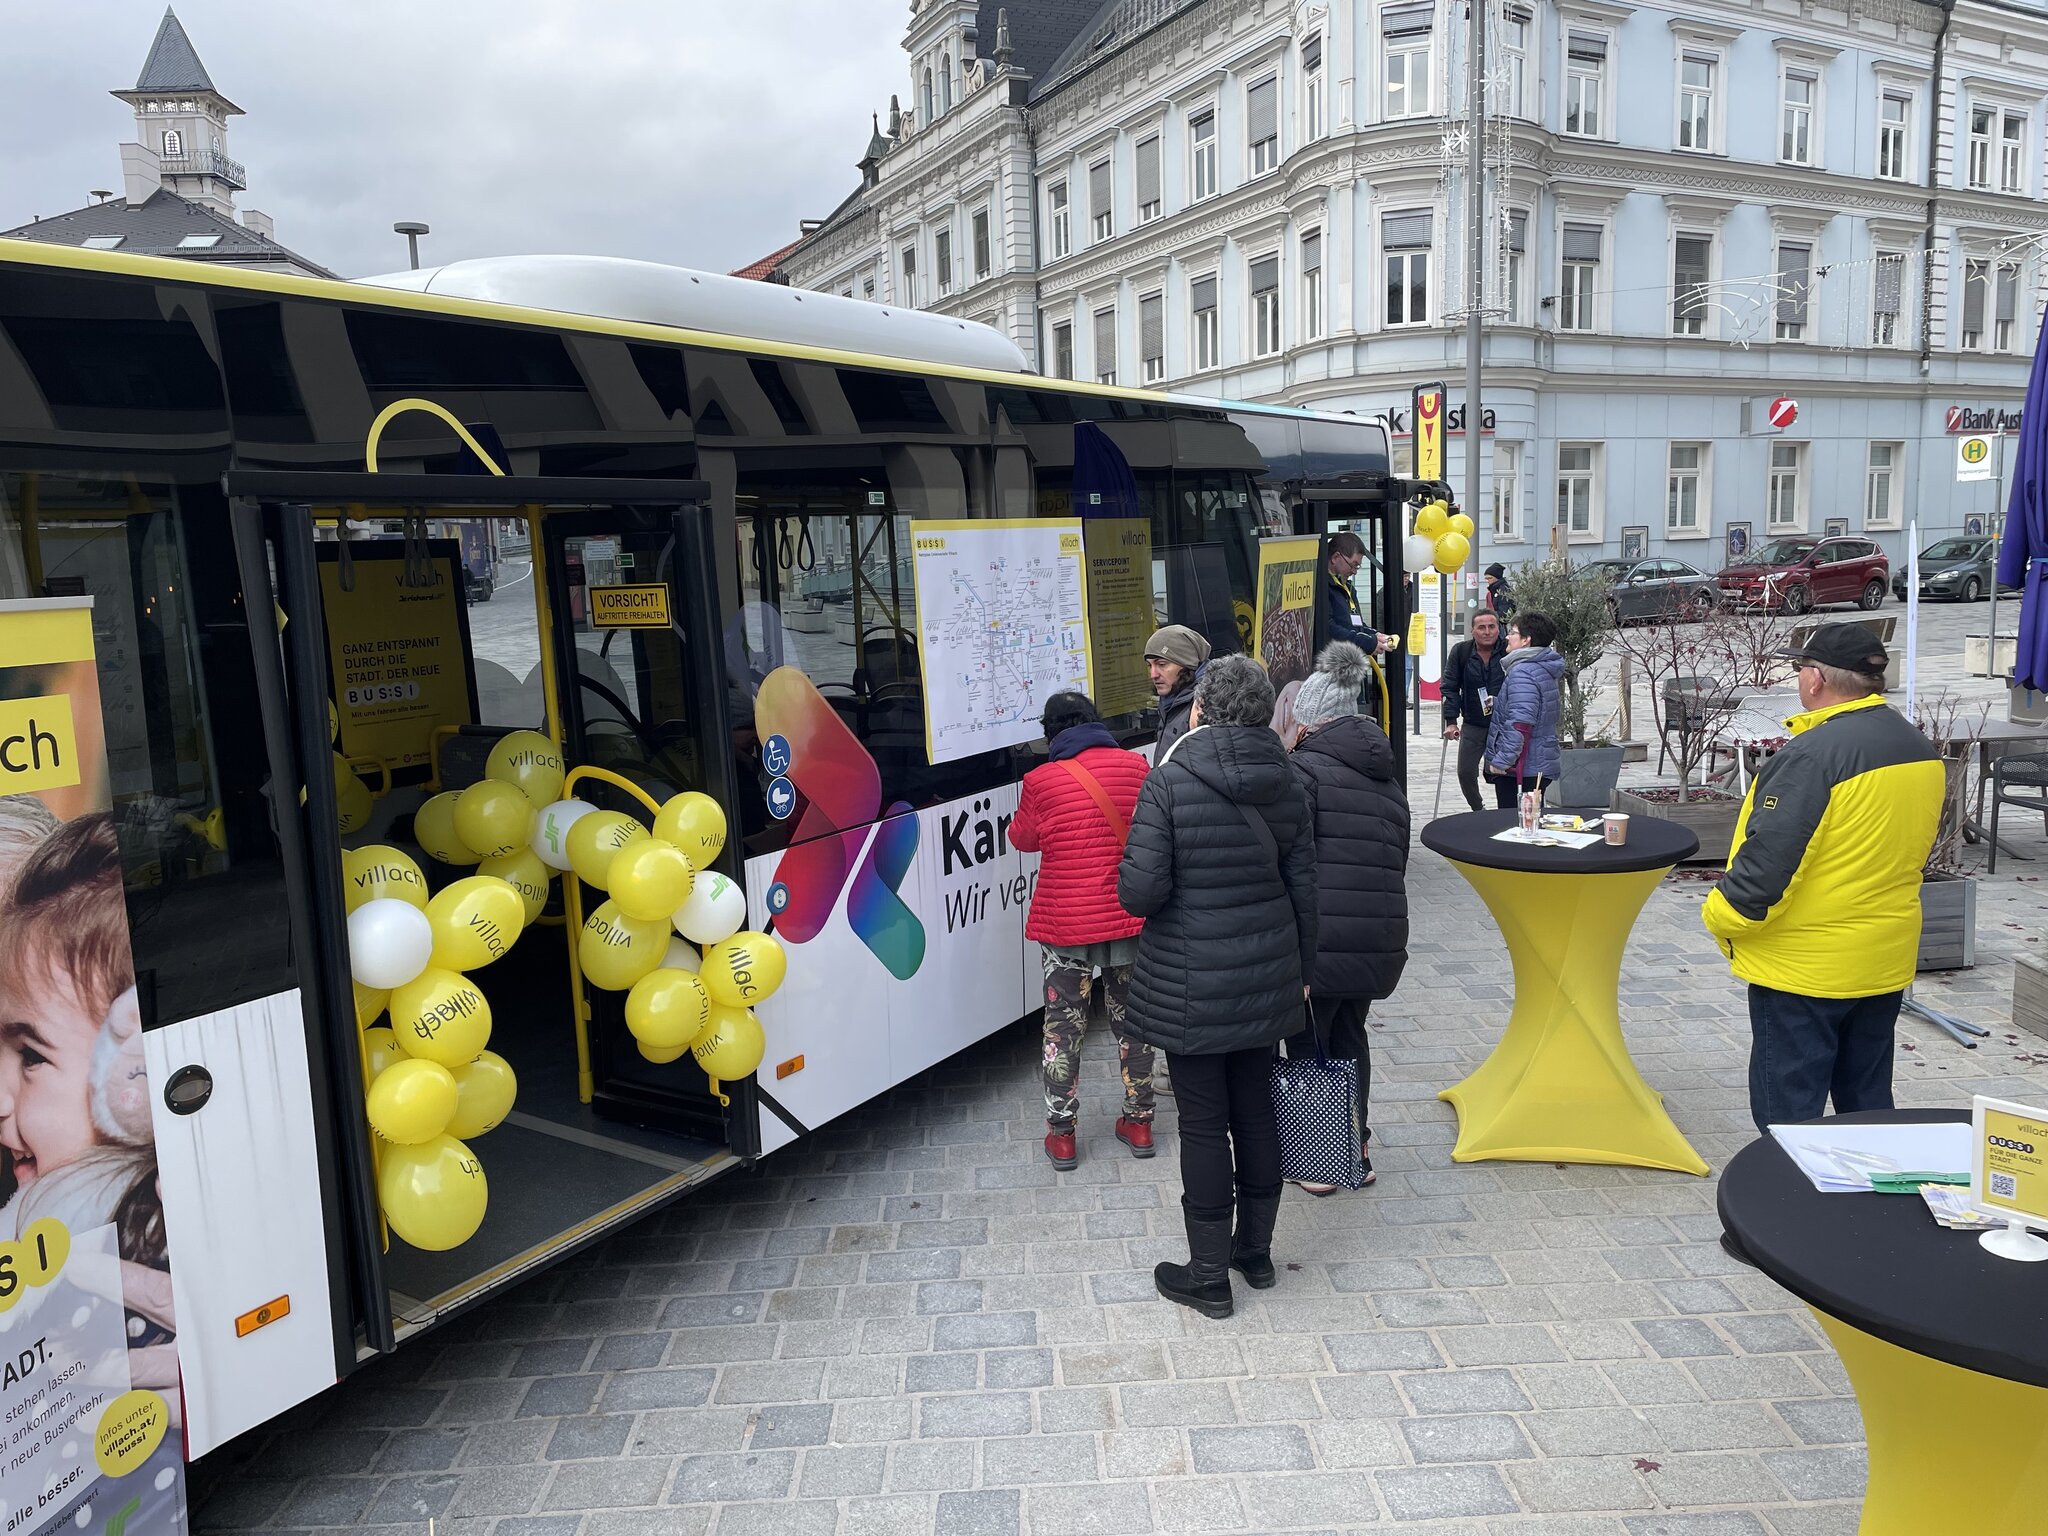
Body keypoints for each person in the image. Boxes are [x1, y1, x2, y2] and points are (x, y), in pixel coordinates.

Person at [1117, 655, 1316, 1319]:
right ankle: (1254, 1254)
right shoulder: (1289, 779)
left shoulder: (1169, 782)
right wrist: (1302, 973)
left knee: (1203, 1123)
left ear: (1200, 710)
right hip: (1267, 975)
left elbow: (1141, 893)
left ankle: (1207, 1277)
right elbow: (1305, 888)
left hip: (1191, 982)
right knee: (1255, 1111)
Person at [1701, 626, 1944, 1133]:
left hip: (1806, 968)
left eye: (1799, 669)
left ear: (1816, 679)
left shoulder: (1812, 756)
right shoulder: (1915, 743)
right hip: (1882, 956)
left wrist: (1720, 917)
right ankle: (1878, 1182)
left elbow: (1769, 866)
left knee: (1790, 1117)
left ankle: (1792, 1187)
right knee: (1868, 1104)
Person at [1008, 692, 1155, 1171]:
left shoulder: (1041, 780)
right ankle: (1139, 1122)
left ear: (1051, 734)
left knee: (1063, 1026)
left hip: (1066, 924)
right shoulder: (1136, 768)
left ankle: (1063, 1135)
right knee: (1133, 1022)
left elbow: (1023, 839)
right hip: (1129, 918)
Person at [1284, 643, 1409, 1193]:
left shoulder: (1304, 771)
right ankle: (1355, 1147)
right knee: (1350, 1035)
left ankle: (1319, 1160)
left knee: (1310, 1039)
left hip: (1322, 937)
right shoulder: (1384, 774)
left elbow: (1293, 860)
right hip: (1377, 935)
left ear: (1310, 720)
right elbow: (1397, 856)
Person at [1483, 610, 1565, 803]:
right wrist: (1500, 703)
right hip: (1537, 762)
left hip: (1522, 768)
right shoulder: (1539, 666)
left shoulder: (1523, 672)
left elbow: (1521, 723)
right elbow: (1535, 708)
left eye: (1512, 632)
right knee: (1532, 817)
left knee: (1516, 819)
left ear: (1526, 640)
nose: (1507, 637)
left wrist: (1503, 761)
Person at [1442, 609, 1511, 810]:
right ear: (1472, 630)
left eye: (1492, 627)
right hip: (1474, 723)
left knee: (1503, 773)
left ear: (1499, 629)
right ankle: (1478, 810)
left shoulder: (1509, 650)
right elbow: (1450, 687)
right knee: (1465, 772)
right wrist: (1451, 721)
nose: (1487, 632)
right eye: (1481, 627)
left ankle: (1506, 812)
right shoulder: (1461, 652)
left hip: (1504, 725)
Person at [1323, 533, 1396, 656]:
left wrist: (1374, 635)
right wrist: (1367, 642)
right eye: (1353, 565)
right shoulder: (1323, 587)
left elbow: (1354, 626)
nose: (1354, 572)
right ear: (1335, 557)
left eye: (1357, 567)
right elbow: (1329, 629)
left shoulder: (1347, 587)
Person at [1144, 624, 1210, 757]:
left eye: (1161, 664)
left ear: (1187, 664)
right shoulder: (1170, 701)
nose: (1153, 674)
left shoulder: (1205, 705)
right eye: (1149, 665)